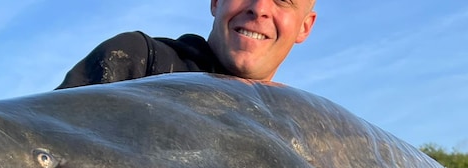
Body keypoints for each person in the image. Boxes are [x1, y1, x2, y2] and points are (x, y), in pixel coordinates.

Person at [57, 0, 316, 89]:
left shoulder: (313, 138)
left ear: (305, 26)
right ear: (216, 2)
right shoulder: (137, 62)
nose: (259, 9)